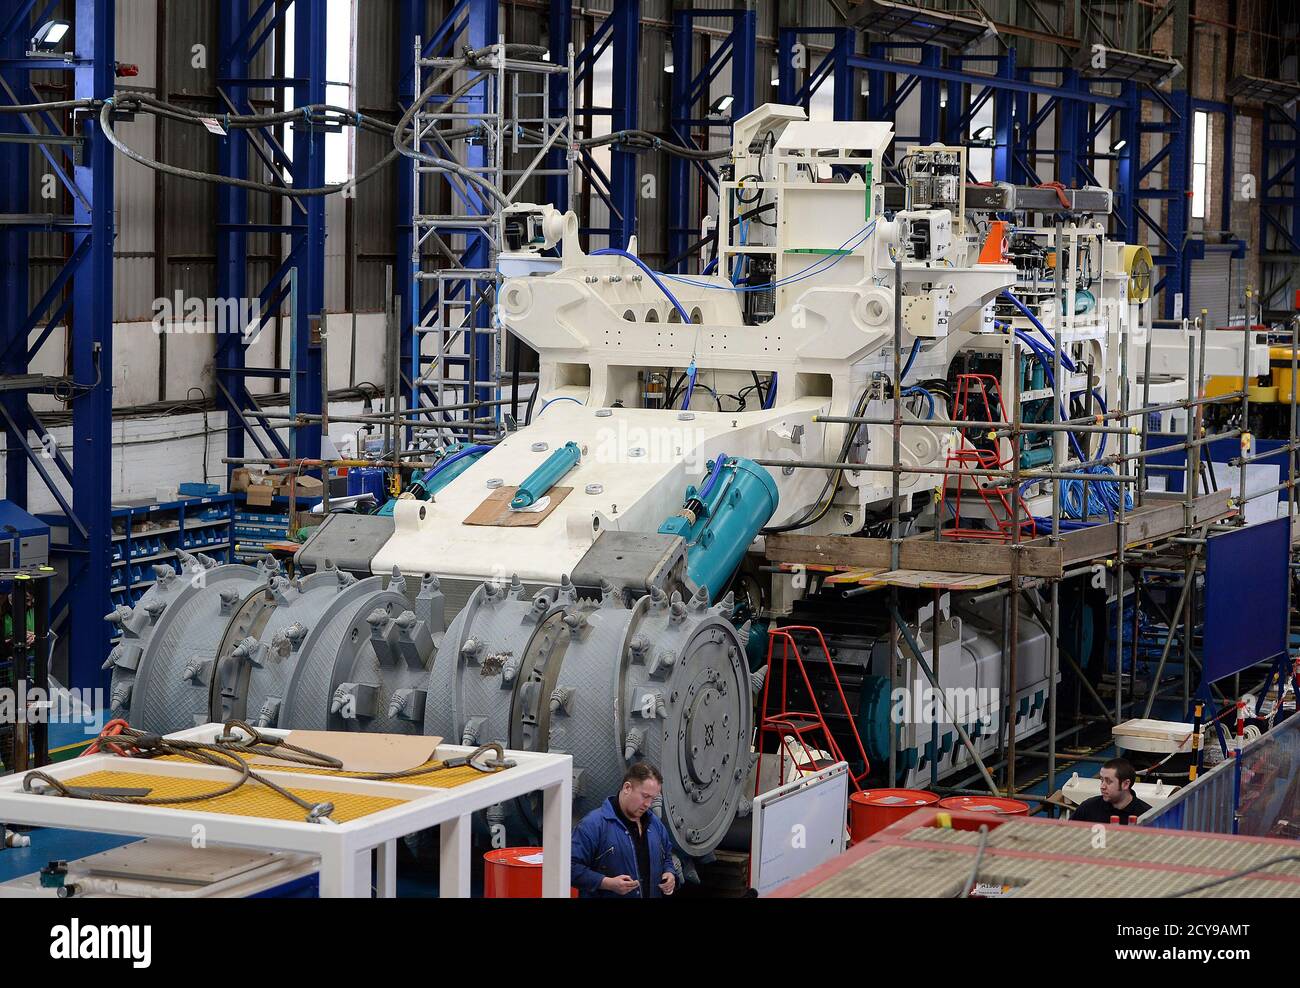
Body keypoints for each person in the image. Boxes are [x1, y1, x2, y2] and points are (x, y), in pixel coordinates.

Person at [571, 762, 683, 898]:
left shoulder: (655, 824)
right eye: (645, 796)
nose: (648, 804)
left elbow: (666, 857)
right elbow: (570, 868)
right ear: (627, 787)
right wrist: (607, 883)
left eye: (653, 798)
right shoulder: (592, 825)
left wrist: (670, 873)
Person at [1070, 757, 1152, 824]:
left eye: (1108, 781)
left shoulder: (1146, 815)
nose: (1102, 786)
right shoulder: (1088, 808)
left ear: (1126, 784)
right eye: (1102, 780)